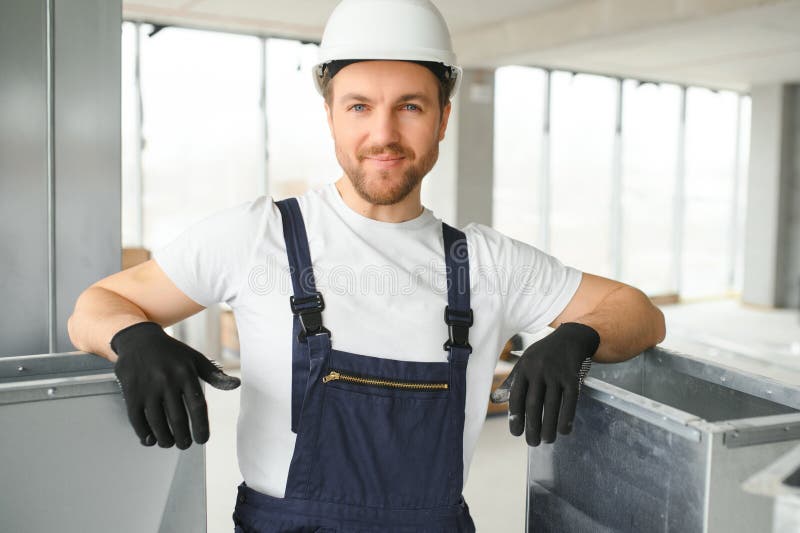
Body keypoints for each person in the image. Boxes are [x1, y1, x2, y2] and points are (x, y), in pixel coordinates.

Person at [67, 0, 666, 531]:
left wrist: (578, 336)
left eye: (409, 106)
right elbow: (94, 307)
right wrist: (133, 336)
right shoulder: (256, 235)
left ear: (442, 119)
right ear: (330, 116)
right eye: (359, 107)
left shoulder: (488, 261)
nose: (384, 133)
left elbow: (637, 312)